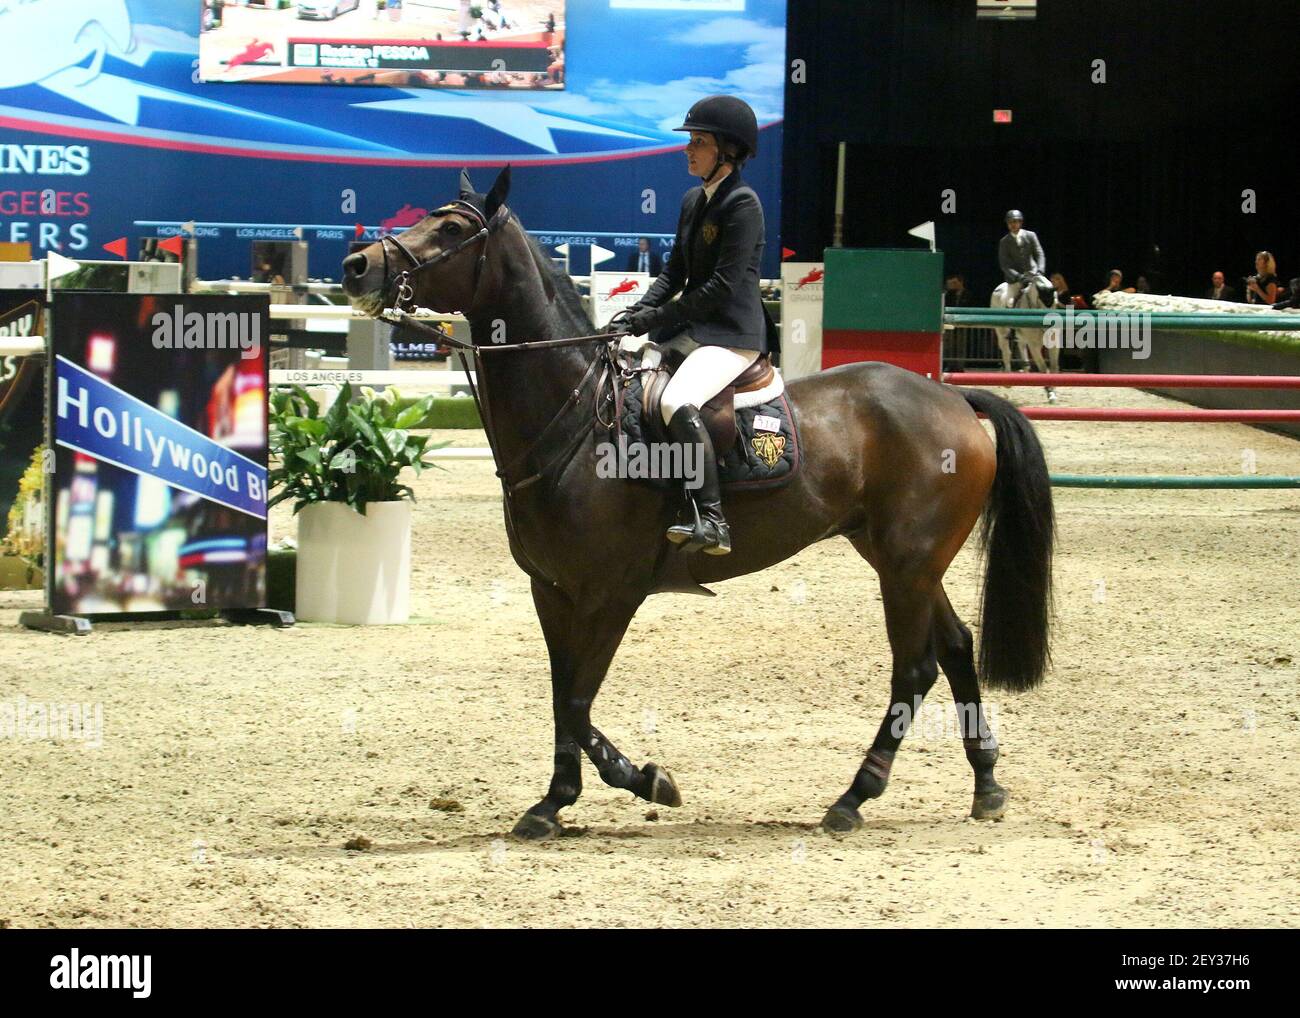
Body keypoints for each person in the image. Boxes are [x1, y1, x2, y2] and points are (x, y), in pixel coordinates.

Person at [612, 94, 774, 556]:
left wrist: (657, 318)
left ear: (728, 151)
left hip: (730, 336)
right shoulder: (692, 201)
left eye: (698, 142)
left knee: (678, 398)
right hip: (694, 331)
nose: (688, 150)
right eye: (690, 142)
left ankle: (713, 517)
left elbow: (721, 287)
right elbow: (674, 274)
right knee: (630, 380)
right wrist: (634, 313)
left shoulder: (743, 204)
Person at [997, 210, 1048, 306]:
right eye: (1010, 222)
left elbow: (1039, 253)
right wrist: (1018, 276)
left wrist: (1040, 270)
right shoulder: (1004, 242)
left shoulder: (1031, 235)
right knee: (1009, 302)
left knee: (1049, 291)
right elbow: (1004, 265)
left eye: (1015, 221)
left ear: (1020, 222)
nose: (1012, 224)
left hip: (1033, 275)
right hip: (1015, 281)